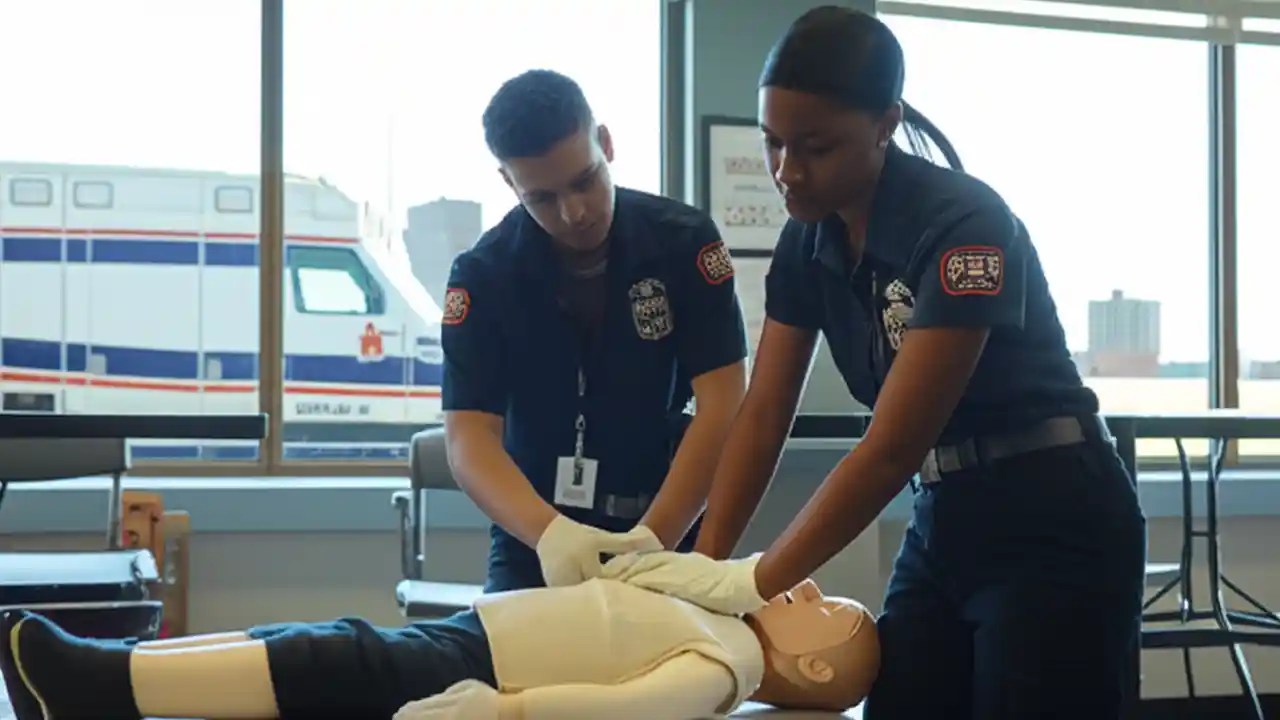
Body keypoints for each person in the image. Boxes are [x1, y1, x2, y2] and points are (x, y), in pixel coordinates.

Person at [601, 7, 1147, 720]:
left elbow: (890, 449)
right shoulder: (807, 242)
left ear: (885, 124)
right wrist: (703, 567)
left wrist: (754, 583)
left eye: (815, 147)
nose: (785, 171)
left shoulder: (966, 225)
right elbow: (763, 414)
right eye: (772, 144)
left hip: (1054, 515)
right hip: (947, 516)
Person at [442, 69, 749, 593]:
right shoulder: (483, 275)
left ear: (605, 143)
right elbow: (469, 438)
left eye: (585, 179)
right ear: (509, 183)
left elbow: (723, 402)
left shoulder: (685, 243)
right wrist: (551, 536)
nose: (574, 212)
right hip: (535, 538)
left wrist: (656, 537)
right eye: (541, 197)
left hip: (666, 525)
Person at [0, 578, 879, 720]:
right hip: (483, 635)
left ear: (811, 668)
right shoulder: (721, 617)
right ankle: (112, 673)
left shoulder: (724, 669)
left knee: (330, 662)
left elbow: (624, 711)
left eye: (824, 610)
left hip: (487, 675)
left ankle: (104, 688)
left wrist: (506, 711)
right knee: (304, 644)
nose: (805, 589)